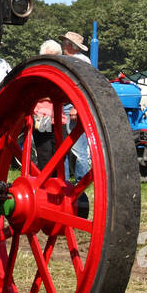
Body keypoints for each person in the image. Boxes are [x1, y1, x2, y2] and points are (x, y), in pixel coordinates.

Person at [60, 31, 92, 182]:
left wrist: (76, 107)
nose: (63, 46)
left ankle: (81, 181)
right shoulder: (73, 59)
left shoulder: (80, 61)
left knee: (79, 149)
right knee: (64, 147)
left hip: (73, 107)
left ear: (71, 46)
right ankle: (65, 180)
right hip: (67, 106)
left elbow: (84, 86)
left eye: (65, 43)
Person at [32, 40, 62, 172]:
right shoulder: (38, 71)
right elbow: (35, 94)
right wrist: (52, 96)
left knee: (60, 152)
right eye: (49, 55)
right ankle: (45, 182)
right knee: (45, 153)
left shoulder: (61, 72)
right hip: (42, 116)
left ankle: (55, 181)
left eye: (55, 56)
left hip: (60, 117)